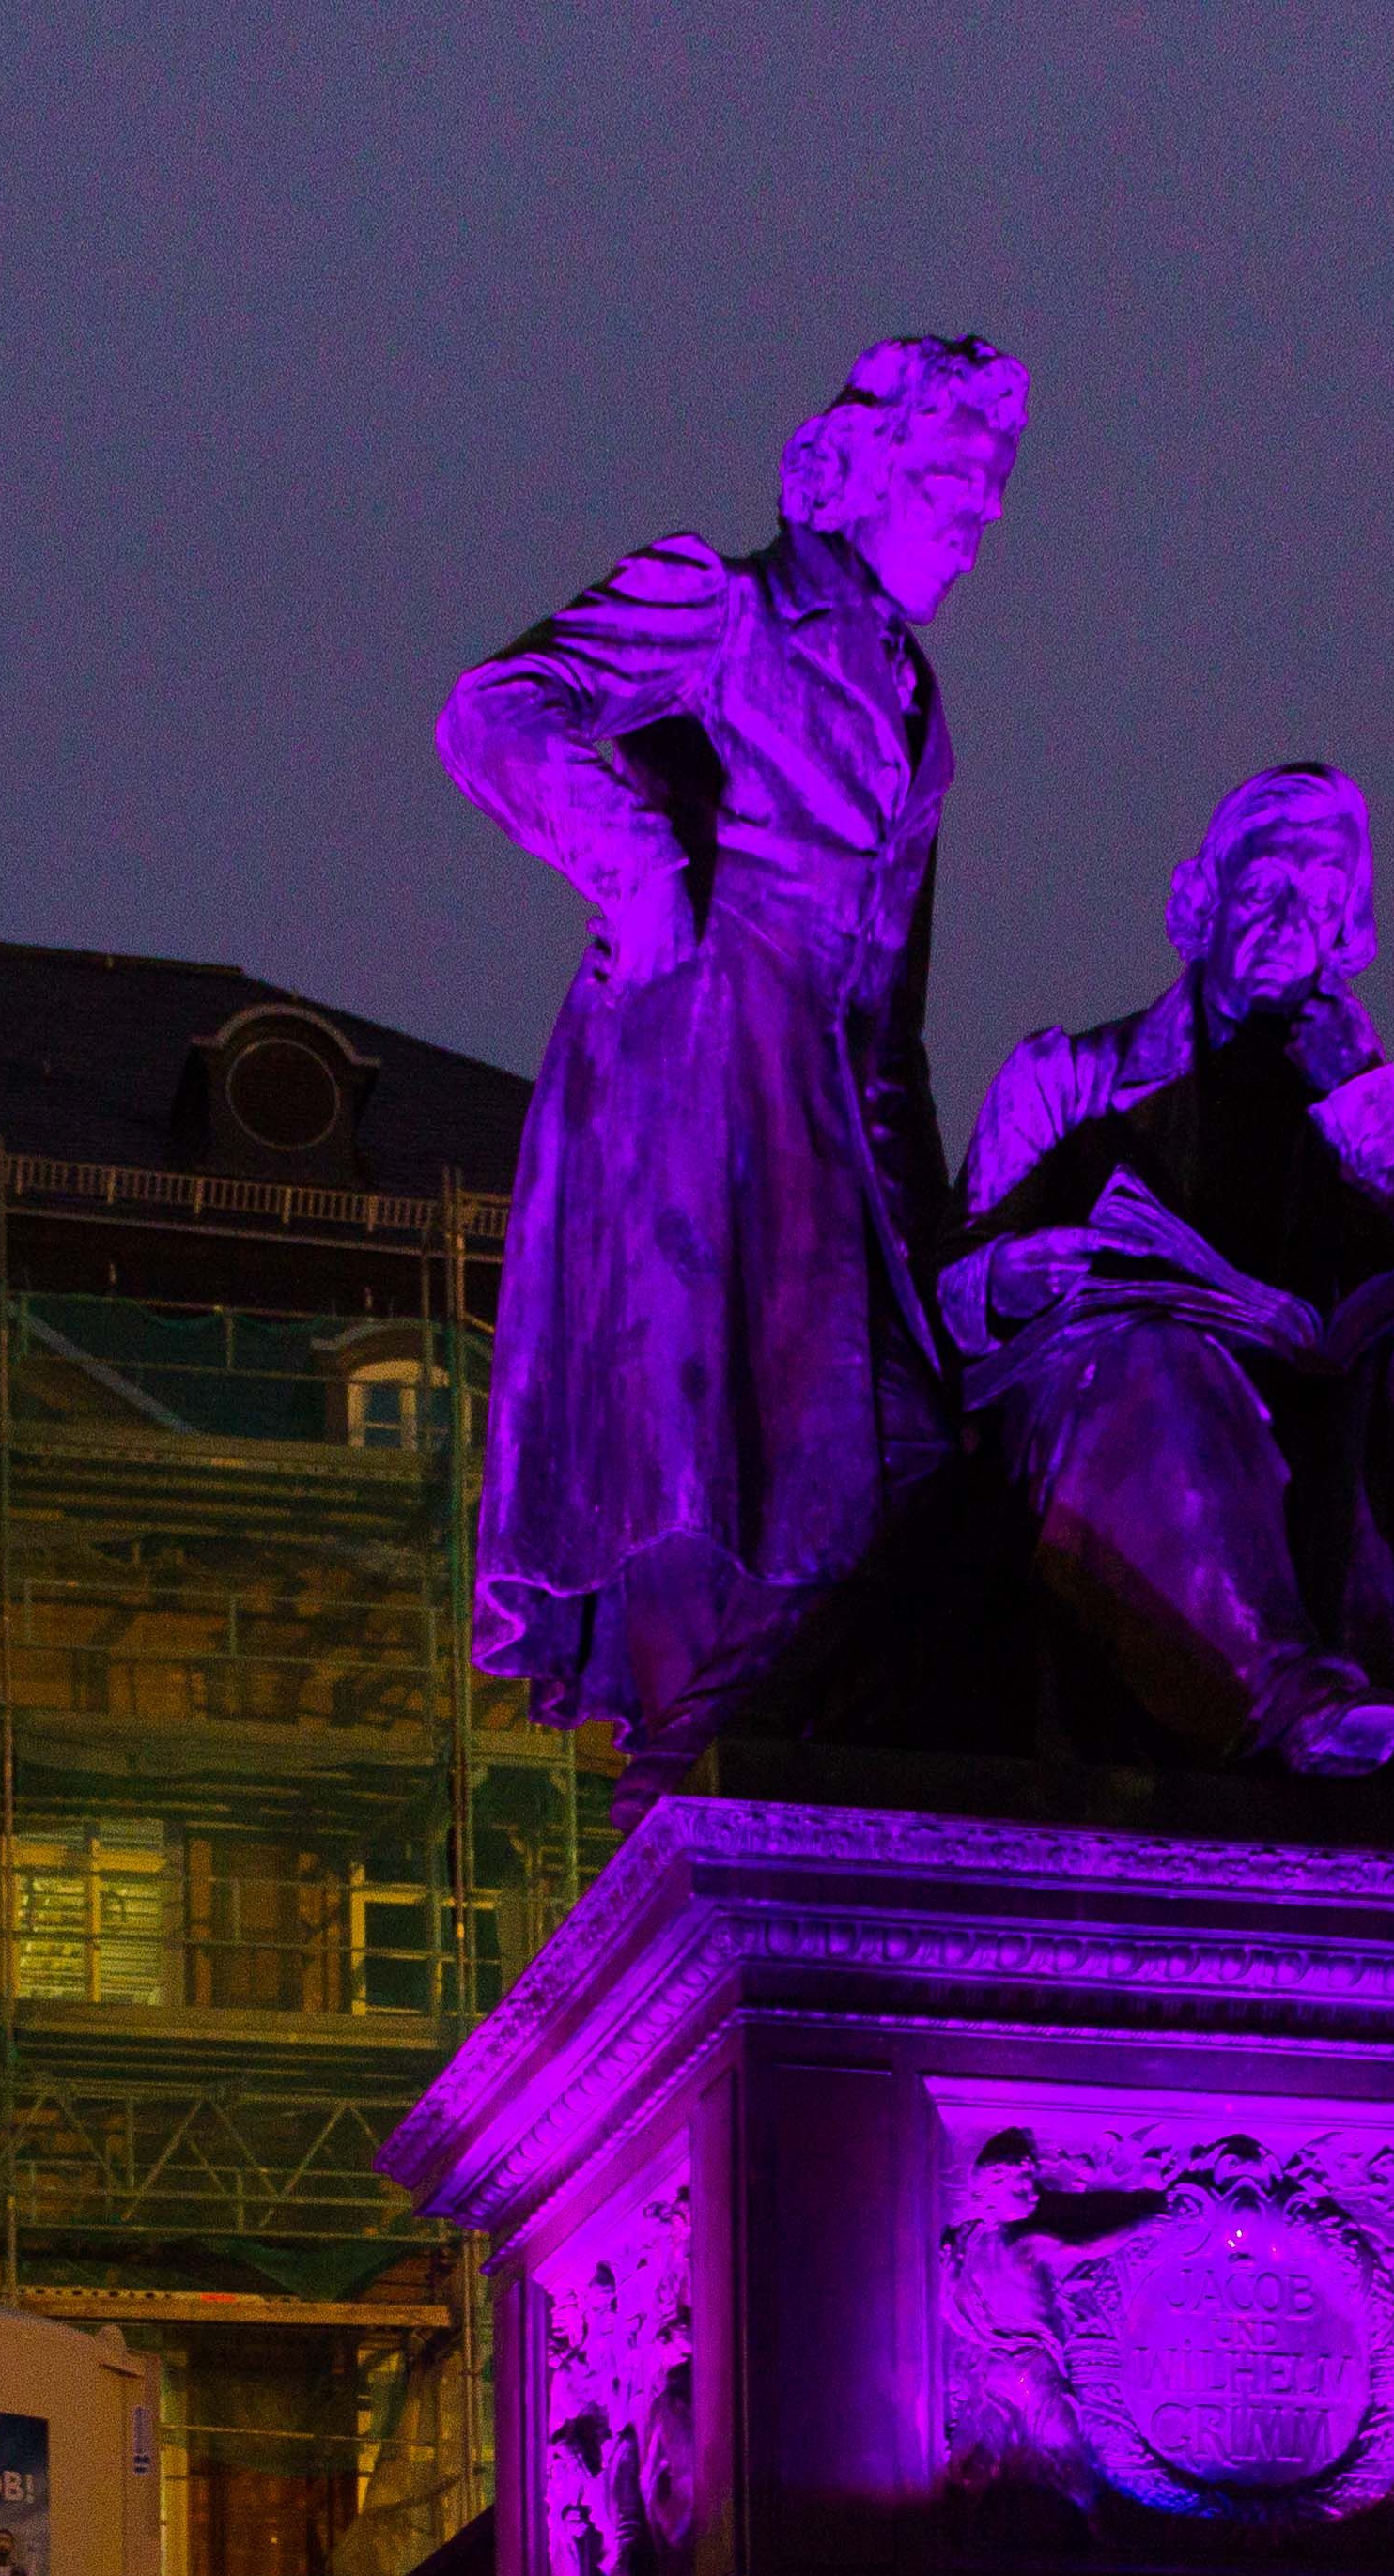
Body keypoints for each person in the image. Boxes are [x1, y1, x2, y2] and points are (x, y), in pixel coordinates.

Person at [438, 337, 1030, 1812]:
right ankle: (688, 1783)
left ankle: (723, 1797)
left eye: (993, 486)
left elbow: (896, 1002)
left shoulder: (917, 702)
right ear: (861, 470)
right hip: (695, 1059)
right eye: (958, 475)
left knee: (905, 1461)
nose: (983, 514)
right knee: (709, 1455)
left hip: (832, 1099)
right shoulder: (726, 604)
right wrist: (635, 868)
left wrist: (933, 1225)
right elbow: (496, 710)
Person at [942, 765, 1394, 1782]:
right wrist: (1008, 1274)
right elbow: (942, 1296)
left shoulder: (1356, 1092)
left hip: (1319, 1399)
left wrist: (1372, 1132)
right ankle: (1281, 1690)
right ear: (1205, 900)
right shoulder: (1064, 1072)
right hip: (1114, 1408)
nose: (1291, 918)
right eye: (1267, 885)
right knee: (1160, 1359)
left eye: (1322, 901)